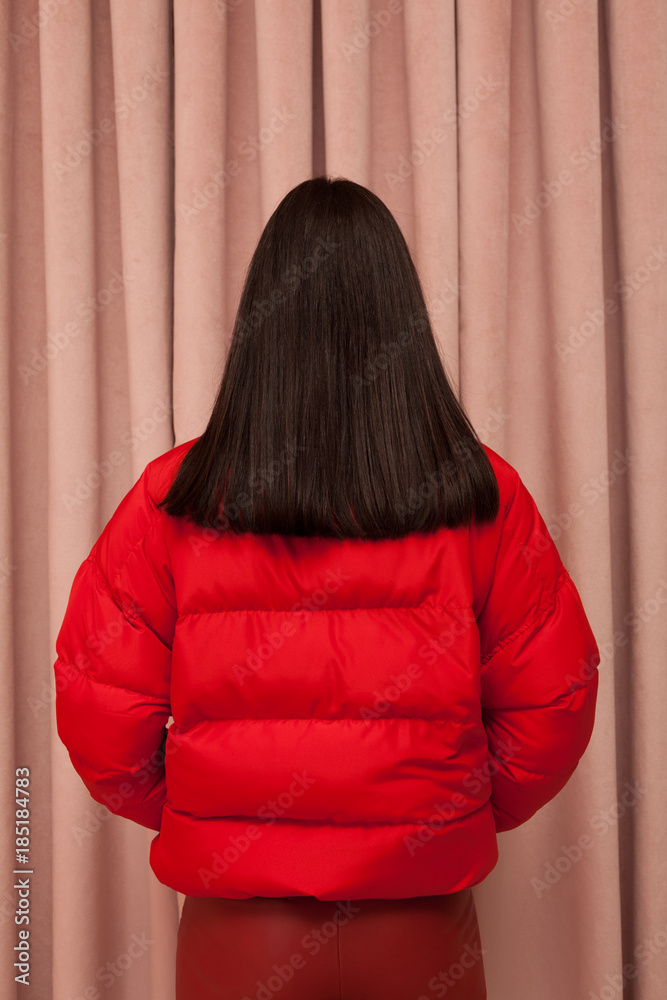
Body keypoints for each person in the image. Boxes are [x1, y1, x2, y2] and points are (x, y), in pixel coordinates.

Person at [53, 176, 600, 1000]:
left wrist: (207, 810)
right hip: (422, 923)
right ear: (401, 320)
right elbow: (553, 704)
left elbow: (98, 710)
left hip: (237, 933)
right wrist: (446, 809)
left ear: (260, 326)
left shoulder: (175, 497)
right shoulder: (482, 494)